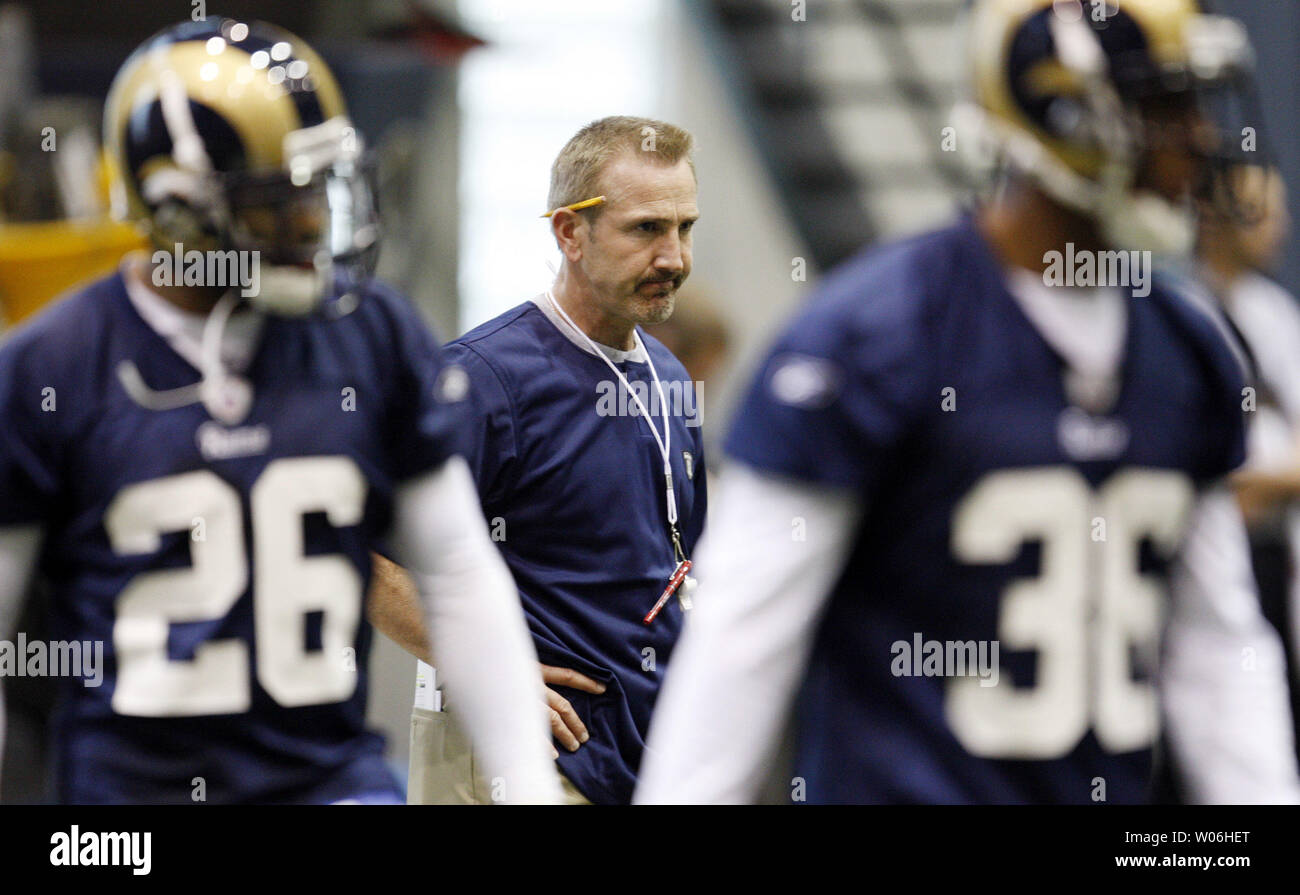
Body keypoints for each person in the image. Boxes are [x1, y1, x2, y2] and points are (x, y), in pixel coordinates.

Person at [637, 0, 1300, 804]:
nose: (1198, 135)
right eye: (1165, 104)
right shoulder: (876, 336)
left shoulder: (1184, 349)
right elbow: (740, 647)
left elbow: (1216, 647)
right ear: (1068, 112)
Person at [0, 18, 559, 804]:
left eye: (317, 190)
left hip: (329, 784)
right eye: (278, 199)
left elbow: (459, 573)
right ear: (176, 203)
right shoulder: (52, 365)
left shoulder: (372, 334)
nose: (309, 222)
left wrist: (527, 787)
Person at [372, 116, 707, 804]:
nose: (674, 256)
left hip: (639, 760)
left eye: (685, 228)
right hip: (514, 756)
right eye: (647, 229)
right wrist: (497, 673)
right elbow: (367, 558)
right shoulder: (483, 380)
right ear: (569, 232)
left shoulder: (669, 377)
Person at [1194, 164, 1300, 752]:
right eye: (1263, 208)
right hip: (1205, 551)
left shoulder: (1276, 314)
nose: (1280, 224)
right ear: (1212, 215)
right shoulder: (1181, 310)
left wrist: (1257, 488)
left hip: (1271, 555)